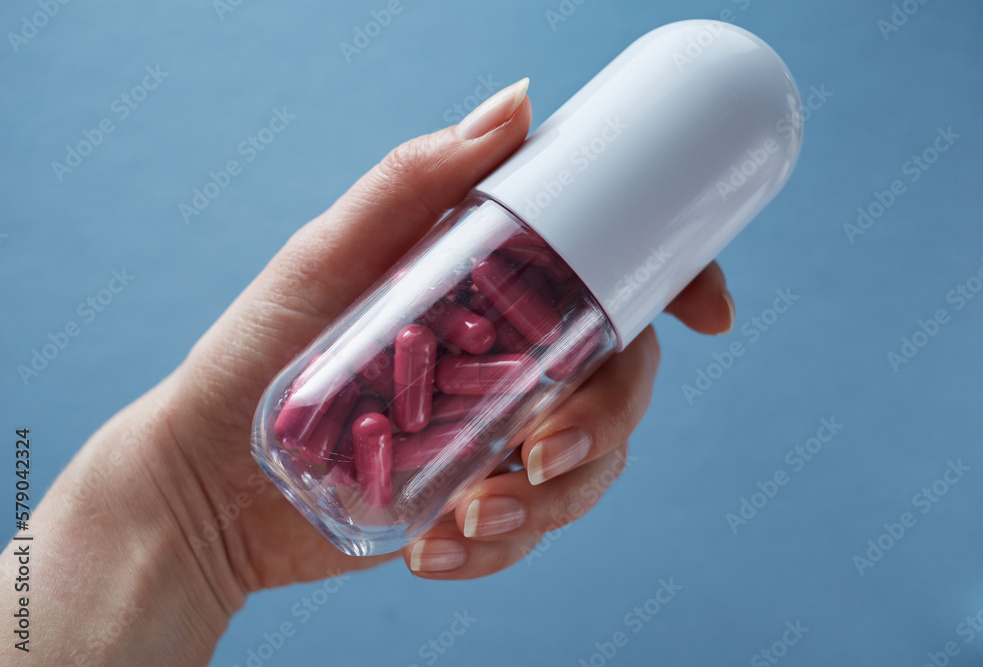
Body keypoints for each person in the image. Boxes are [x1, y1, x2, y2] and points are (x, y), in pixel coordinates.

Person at [1, 80, 734, 665]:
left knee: (503, 392)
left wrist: (189, 532)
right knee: (458, 397)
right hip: (516, 239)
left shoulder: (516, 287)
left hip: (576, 292)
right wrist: (178, 500)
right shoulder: (495, 264)